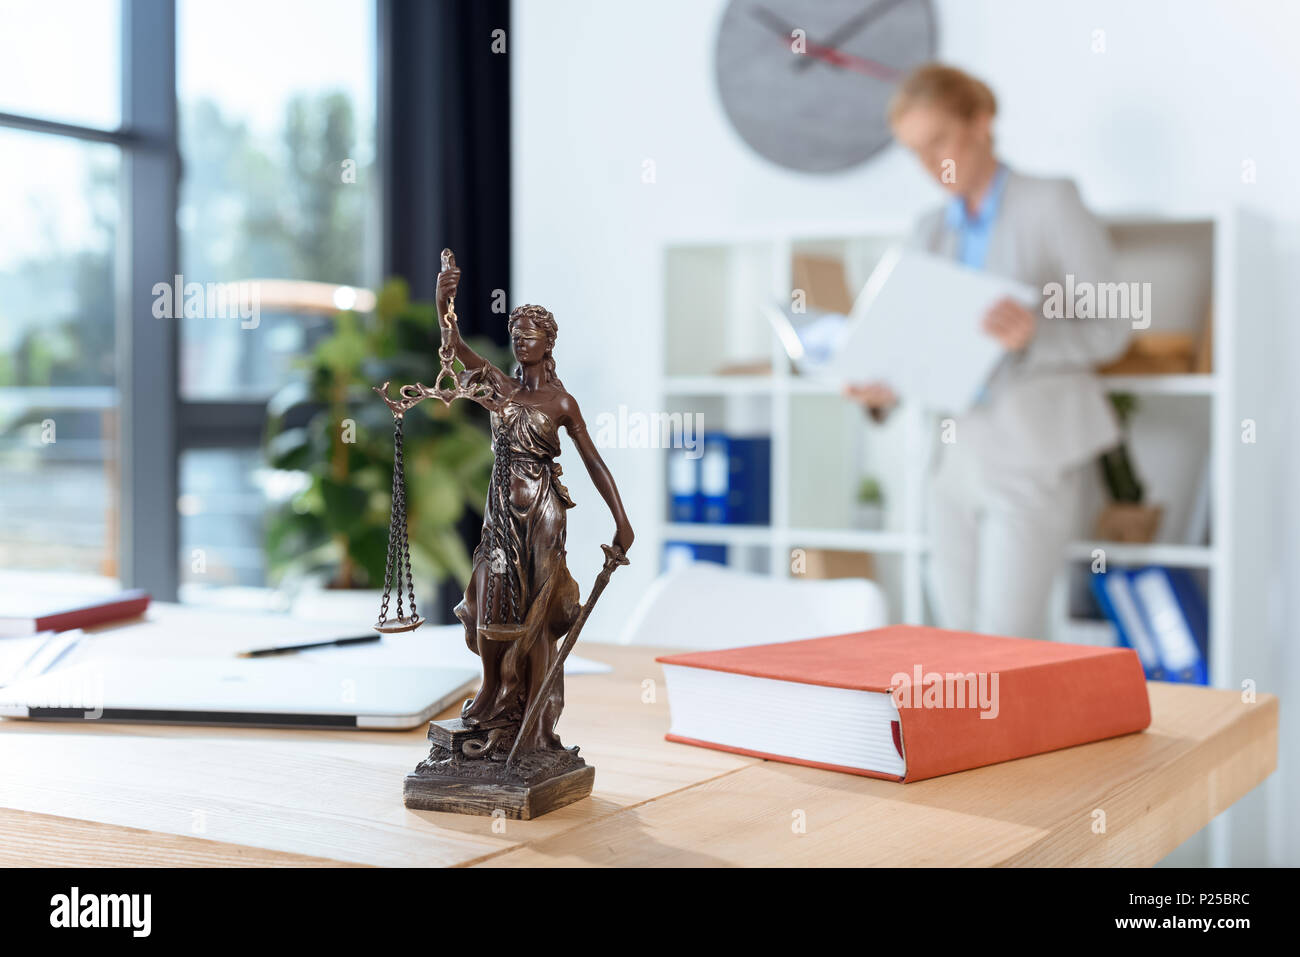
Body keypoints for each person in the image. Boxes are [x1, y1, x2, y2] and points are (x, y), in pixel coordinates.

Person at [844, 64, 1129, 639]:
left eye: (938, 142)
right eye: (914, 152)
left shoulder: (1050, 202)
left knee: (1005, 640)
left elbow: (1114, 327)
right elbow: (916, 345)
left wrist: (1034, 336)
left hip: (1030, 452)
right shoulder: (928, 229)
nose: (930, 165)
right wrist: (881, 389)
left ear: (980, 122)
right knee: (956, 636)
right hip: (951, 459)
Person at [397, 252, 634, 754]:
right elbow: (455, 347)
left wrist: (621, 520)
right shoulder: (501, 388)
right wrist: (445, 298)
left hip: (542, 512)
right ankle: (493, 696)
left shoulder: (561, 403)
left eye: (531, 334)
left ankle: (534, 722)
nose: (521, 341)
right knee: (485, 596)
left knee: (538, 609)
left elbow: (593, 462)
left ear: (549, 343)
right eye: (516, 334)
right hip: (500, 511)